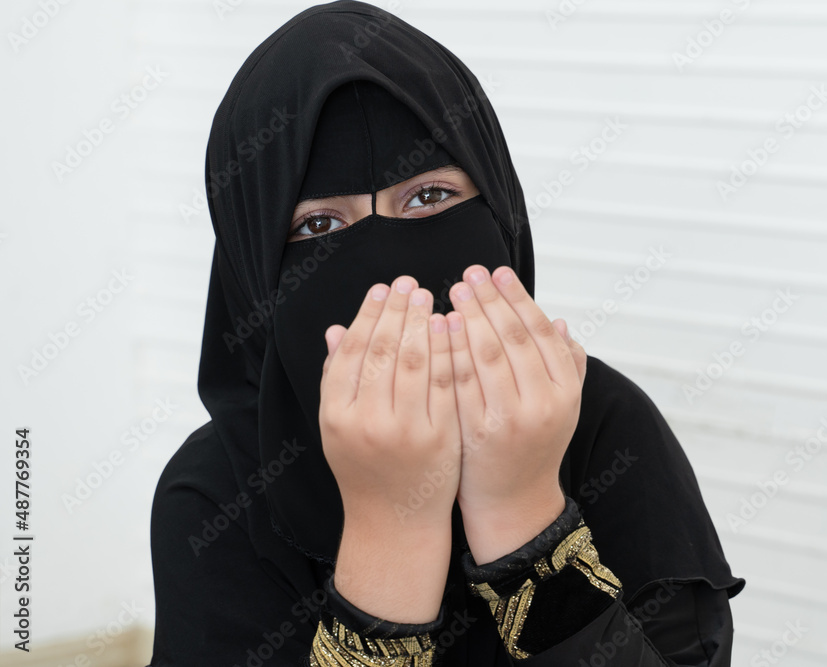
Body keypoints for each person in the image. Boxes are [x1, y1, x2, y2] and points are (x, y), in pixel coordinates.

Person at [148, 2, 745, 665]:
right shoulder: (216, 496)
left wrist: (524, 515)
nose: (390, 274)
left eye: (429, 197)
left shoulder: (600, 424)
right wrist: (391, 528)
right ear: (254, 280)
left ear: (498, 205)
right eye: (318, 227)